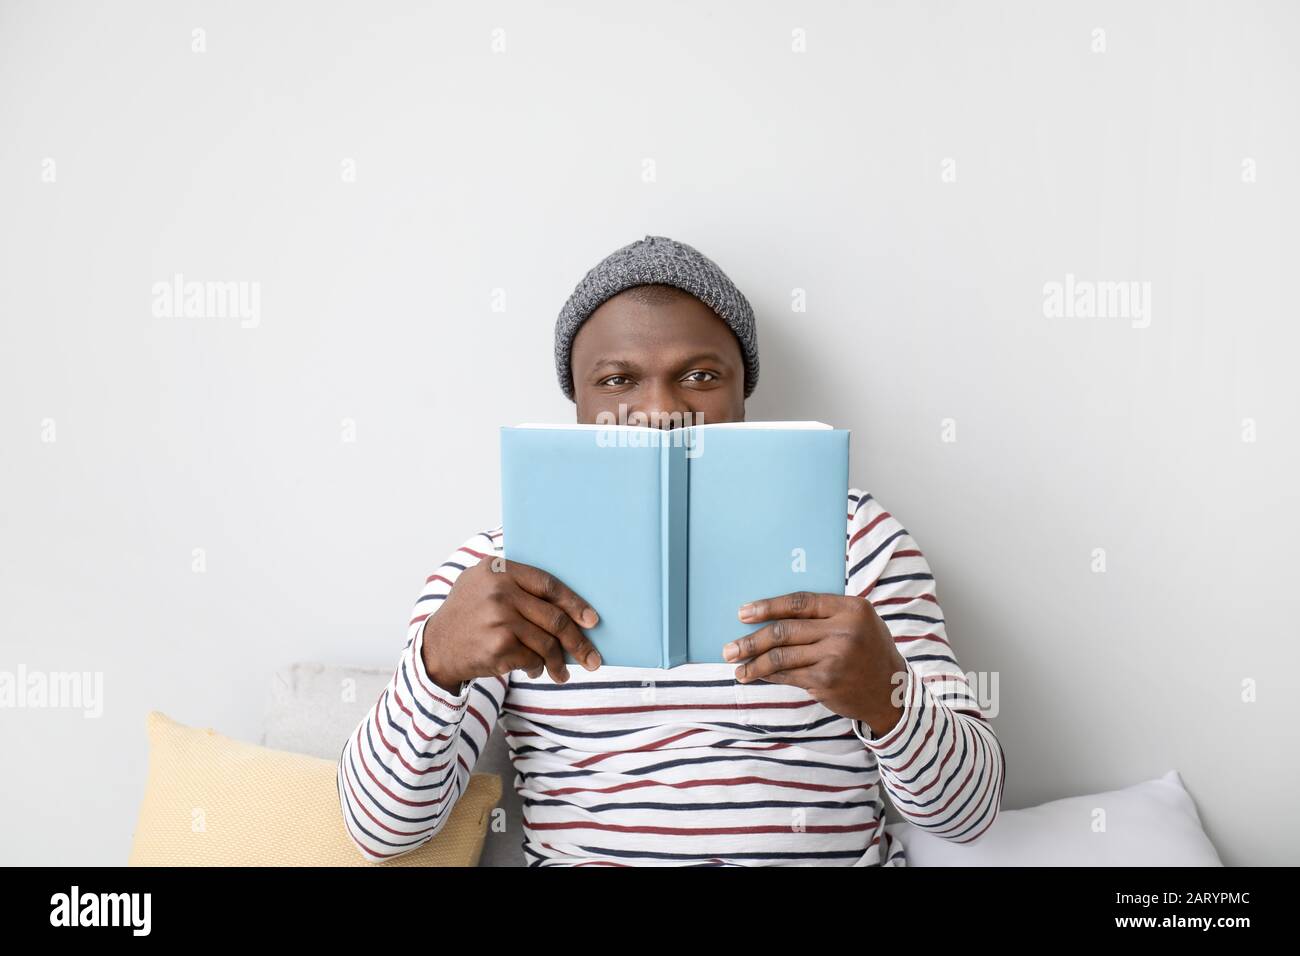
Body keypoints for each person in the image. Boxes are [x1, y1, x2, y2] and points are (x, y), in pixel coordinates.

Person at [336, 235, 1005, 866]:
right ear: (575, 401)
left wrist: (888, 701)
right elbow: (379, 833)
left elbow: (970, 814)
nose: (659, 410)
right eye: (618, 380)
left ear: (745, 395)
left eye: (701, 375)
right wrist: (437, 663)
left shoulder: (858, 540)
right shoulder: (498, 578)